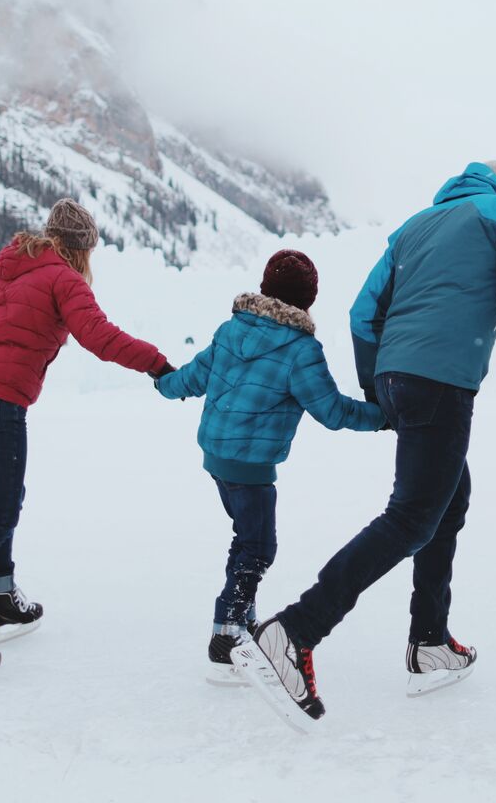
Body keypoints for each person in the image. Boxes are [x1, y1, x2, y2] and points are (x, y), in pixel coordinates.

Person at [233, 161, 496, 724]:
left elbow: (363, 316)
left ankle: (431, 640)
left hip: (399, 376)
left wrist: (378, 387)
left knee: (448, 497)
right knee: (413, 515)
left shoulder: (413, 227)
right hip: (441, 382)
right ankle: (293, 631)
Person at [0, 199, 173, 680]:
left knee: (5, 501)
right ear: (82, 249)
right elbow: (99, 337)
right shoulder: (63, 279)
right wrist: (157, 364)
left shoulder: (9, 268)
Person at [154, 249, 385, 684]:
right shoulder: (300, 349)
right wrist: (385, 417)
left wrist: (163, 381)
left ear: (264, 287)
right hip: (251, 466)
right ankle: (226, 634)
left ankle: (241, 622)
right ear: (308, 300)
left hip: (217, 458)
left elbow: (192, 377)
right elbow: (333, 412)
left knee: (246, 539)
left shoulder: (230, 330)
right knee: (259, 548)